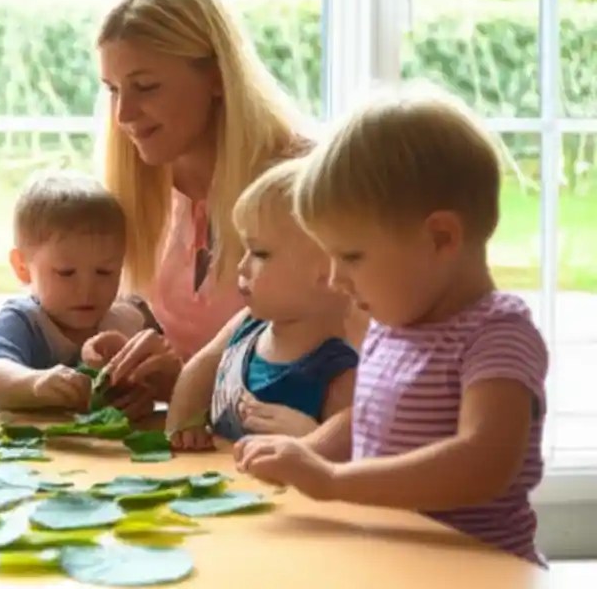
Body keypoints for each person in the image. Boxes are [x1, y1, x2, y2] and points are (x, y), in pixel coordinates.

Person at [235, 85, 548, 565]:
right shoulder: (392, 323)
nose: (336, 279)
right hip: (392, 558)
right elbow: (371, 417)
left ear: (441, 238)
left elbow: (483, 461)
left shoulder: (498, 333)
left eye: (352, 256)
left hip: (476, 570)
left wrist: (333, 480)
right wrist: (306, 454)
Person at [93, 0, 327, 399]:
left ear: (217, 78)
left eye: (145, 87)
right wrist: (117, 346)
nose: (123, 115)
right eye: (112, 90)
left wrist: (186, 384)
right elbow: (146, 316)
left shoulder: (306, 184)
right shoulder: (141, 186)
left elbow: (337, 357)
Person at [165, 159, 357, 450]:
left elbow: (352, 462)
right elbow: (199, 370)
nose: (241, 267)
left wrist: (312, 438)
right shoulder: (245, 325)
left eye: (260, 253)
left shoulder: (341, 373)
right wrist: (182, 424)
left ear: (328, 270)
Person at [0, 171, 153, 414]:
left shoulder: (130, 320)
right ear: (22, 267)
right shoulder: (23, 321)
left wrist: (146, 392)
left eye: (105, 272)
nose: (87, 290)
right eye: (66, 273)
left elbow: (164, 375)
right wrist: (35, 384)